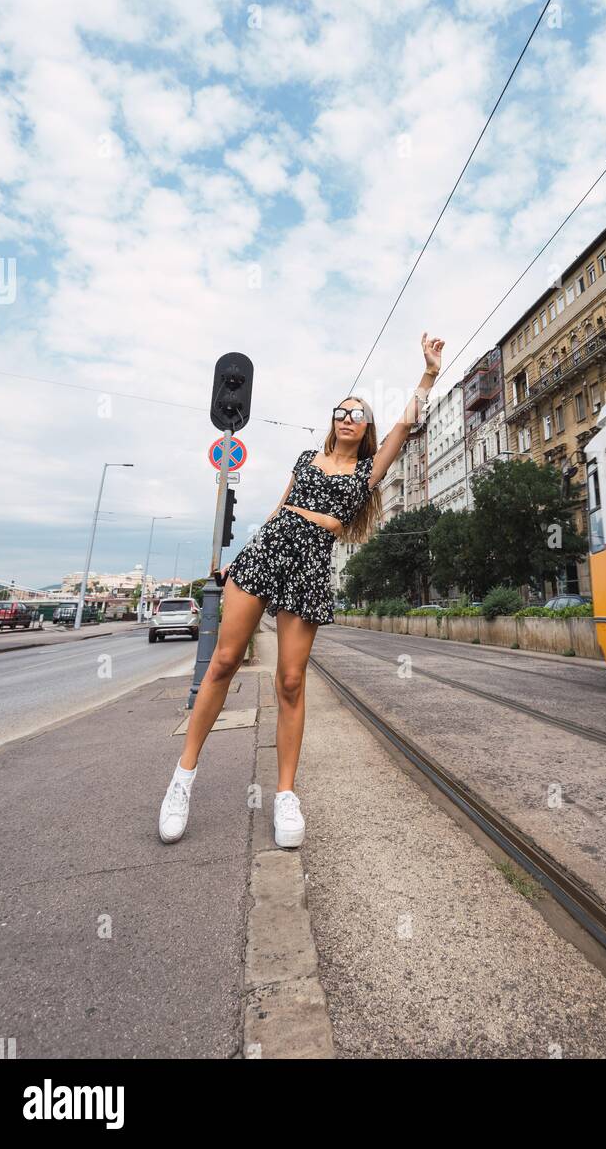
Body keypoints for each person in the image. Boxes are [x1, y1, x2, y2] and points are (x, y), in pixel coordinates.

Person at [158, 332, 445, 847]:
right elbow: (278, 509)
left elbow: (406, 423)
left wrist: (428, 373)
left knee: (291, 682)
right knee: (222, 662)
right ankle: (182, 779)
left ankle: (285, 796)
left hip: (309, 567)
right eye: (341, 409)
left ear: (366, 428)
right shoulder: (305, 457)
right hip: (266, 553)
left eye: (358, 413)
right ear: (333, 419)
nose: (348, 417)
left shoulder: (367, 472)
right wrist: (241, 556)